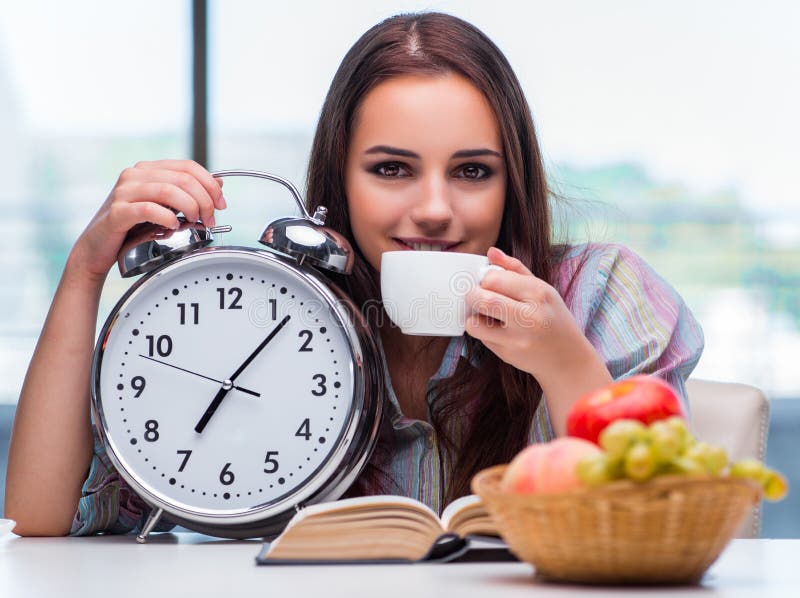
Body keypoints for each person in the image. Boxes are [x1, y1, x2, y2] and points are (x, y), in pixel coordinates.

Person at [5, 12, 703, 536]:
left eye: (472, 171)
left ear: (511, 184)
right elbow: (41, 521)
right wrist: (84, 271)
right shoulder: (267, 313)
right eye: (391, 169)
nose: (434, 210)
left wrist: (563, 364)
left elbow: (656, 538)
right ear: (338, 181)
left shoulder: (600, 295)